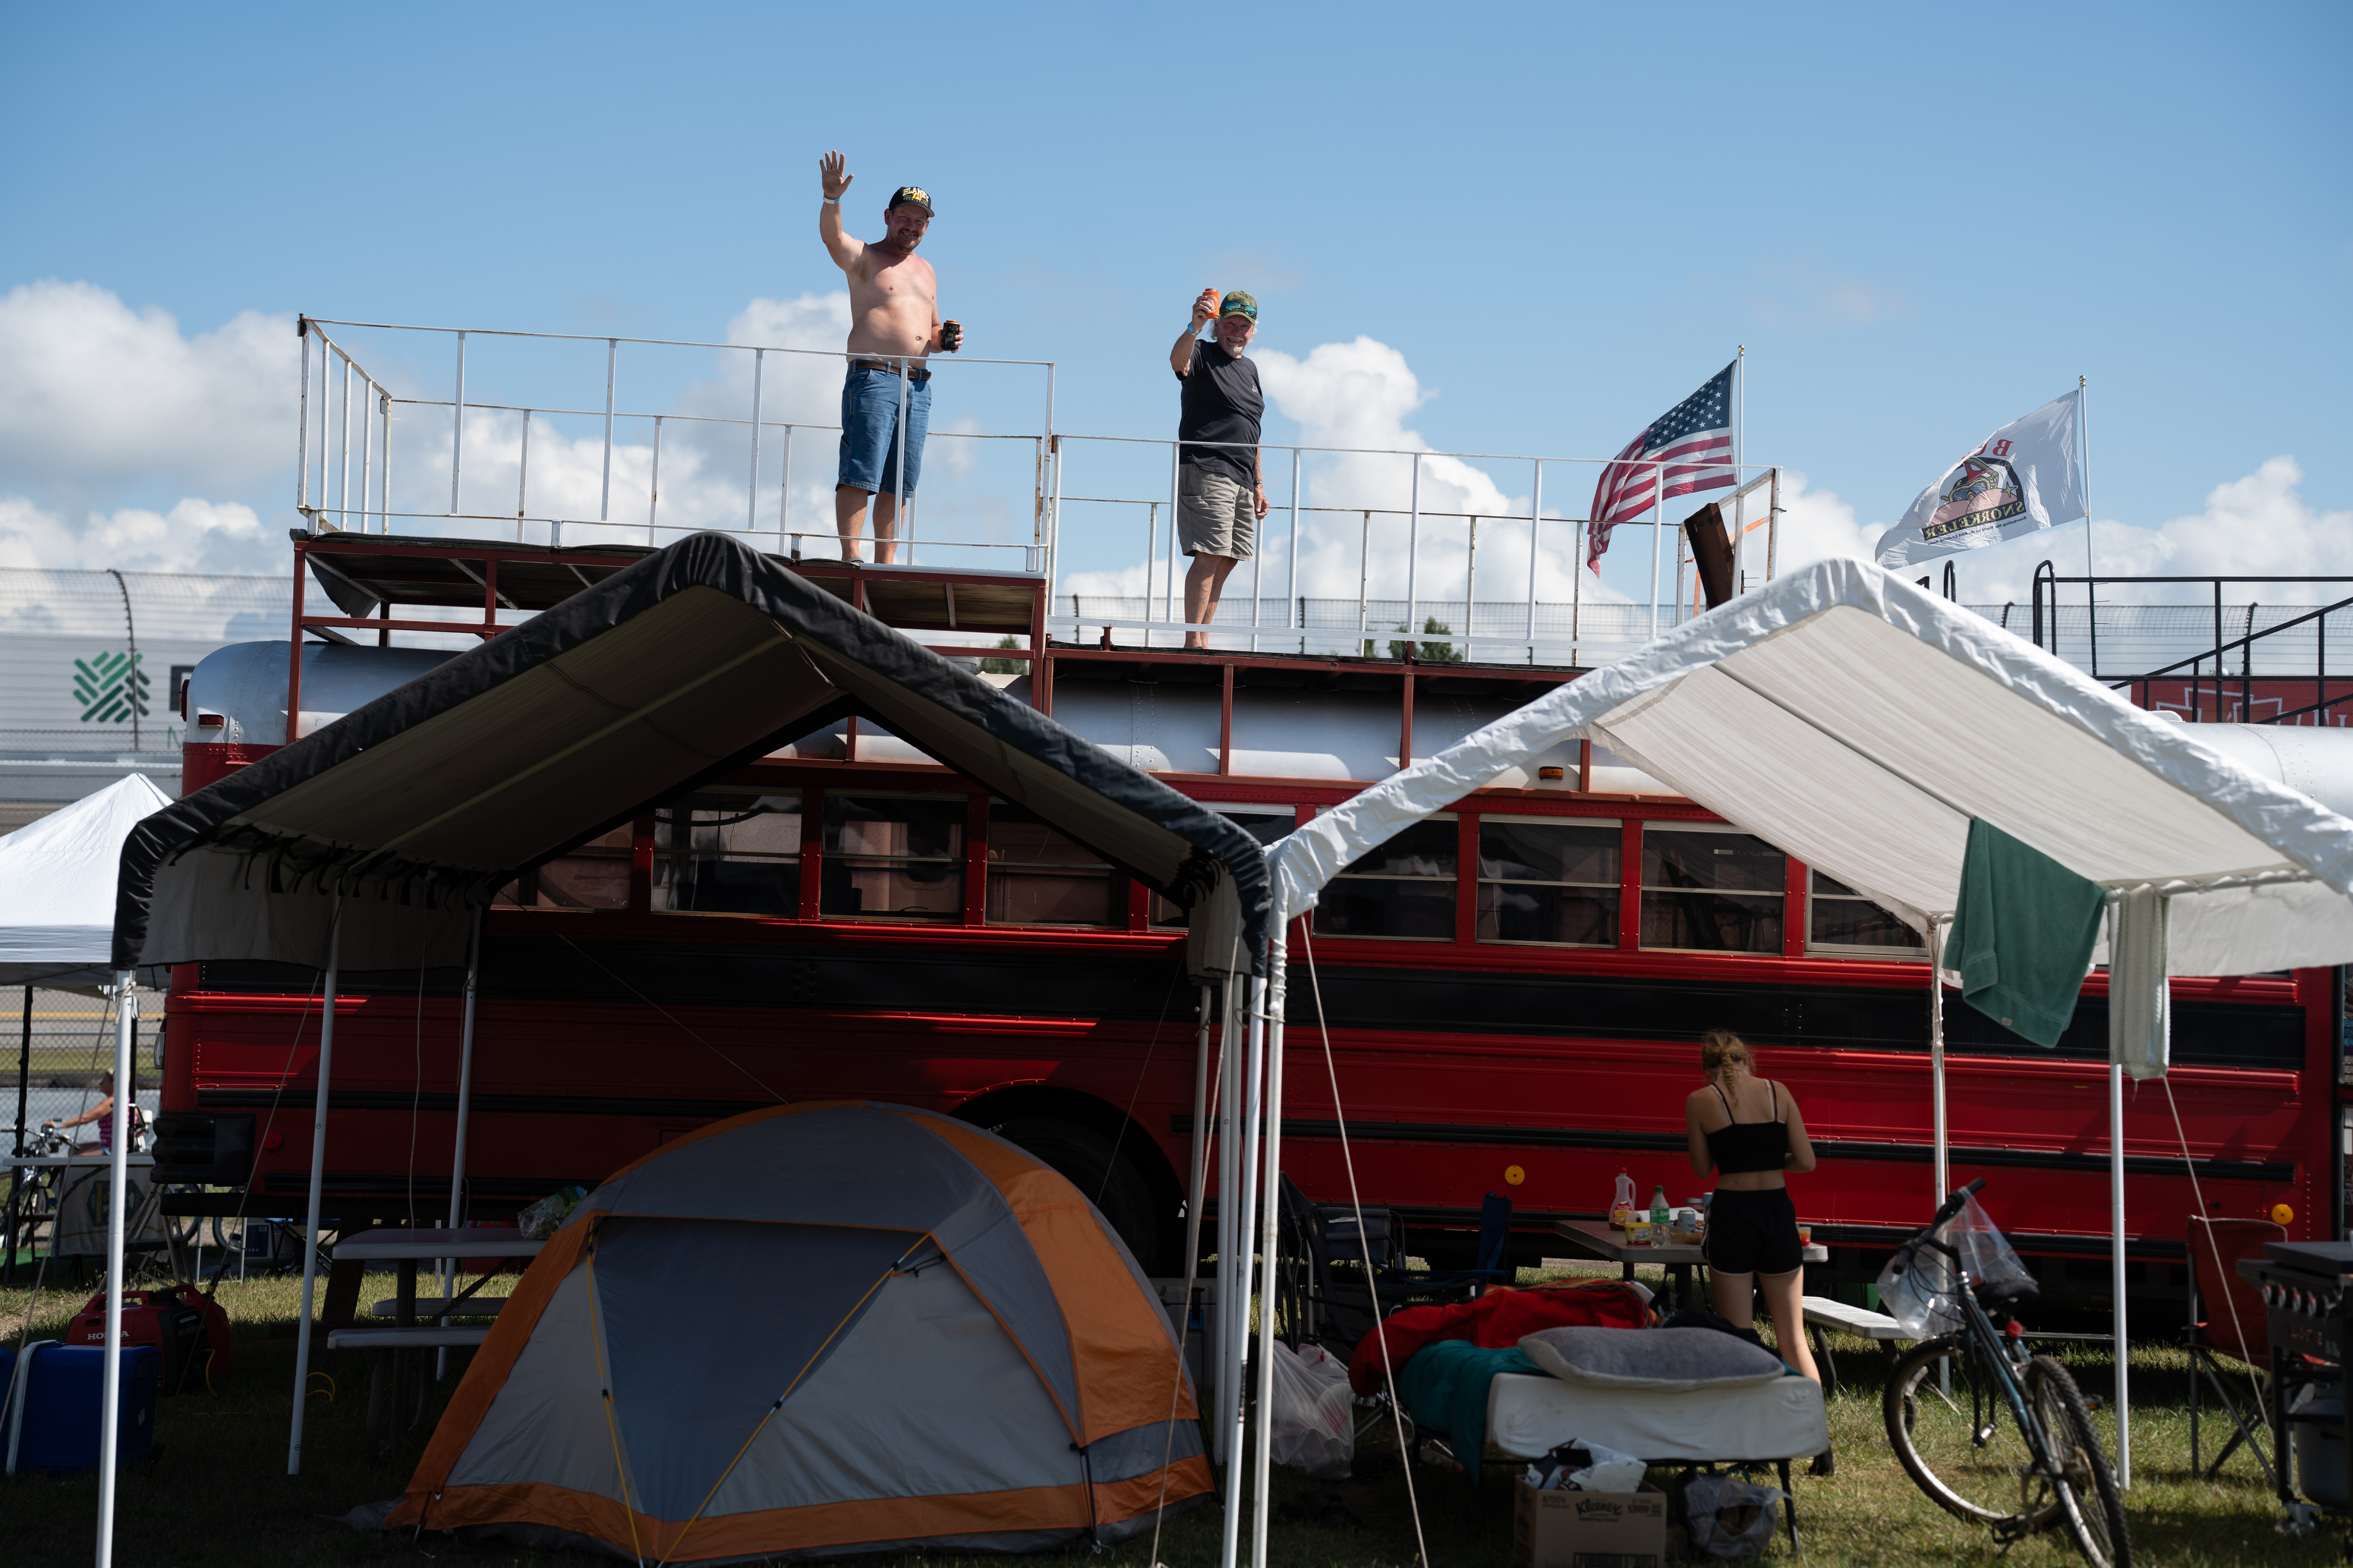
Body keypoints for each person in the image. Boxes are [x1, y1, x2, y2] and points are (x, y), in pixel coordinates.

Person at [819, 151, 962, 565]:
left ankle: (887, 562)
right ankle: (851, 556)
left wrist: (946, 339)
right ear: (888, 216)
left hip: (917, 384)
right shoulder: (865, 258)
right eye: (905, 217)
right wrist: (832, 199)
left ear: (928, 225)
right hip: (873, 378)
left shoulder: (927, 271)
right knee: (862, 468)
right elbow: (833, 238)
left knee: (899, 481)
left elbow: (931, 334)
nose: (912, 226)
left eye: (920, 220)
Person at [1684, 1028, 1820, 1382]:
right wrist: (1771, 1161)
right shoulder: (1779, 1092)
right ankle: (1812, 1428)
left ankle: (1747, 1429)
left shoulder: (1700, 1100)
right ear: (1748, 1060)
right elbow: (1806, 1162)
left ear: (1706, 1069)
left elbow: (1701, 1170)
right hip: (1777, 1210)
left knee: (1738, 1339)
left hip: (1733, 1215)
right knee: (1794, 1340)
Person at [1168, 288, 1268, 649]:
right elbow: (1177, 363)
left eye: (1244, 326)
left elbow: (1252, 429)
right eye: (1229, 324)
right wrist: (1193, 327)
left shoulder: (1251, 370)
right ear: (1217, 326)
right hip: (1207, 467)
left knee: (1229, 558)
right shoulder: (1201, 352)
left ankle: (1202, 637)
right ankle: (1193, 642)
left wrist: (1258, 483)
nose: (1236, 332)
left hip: (1242, 478)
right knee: (1209, 553)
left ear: (1252, 331)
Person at [44, 1069, 119, 1157]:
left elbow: (86, 1118)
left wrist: (58, 1126)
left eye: (104, 1081)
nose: (100, 1084)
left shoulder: (112, 1102)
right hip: (108, 1144)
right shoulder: (125, 1100)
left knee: (76, 1160)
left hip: (110, 1148)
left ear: (112, 1085)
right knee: (74, 1150)